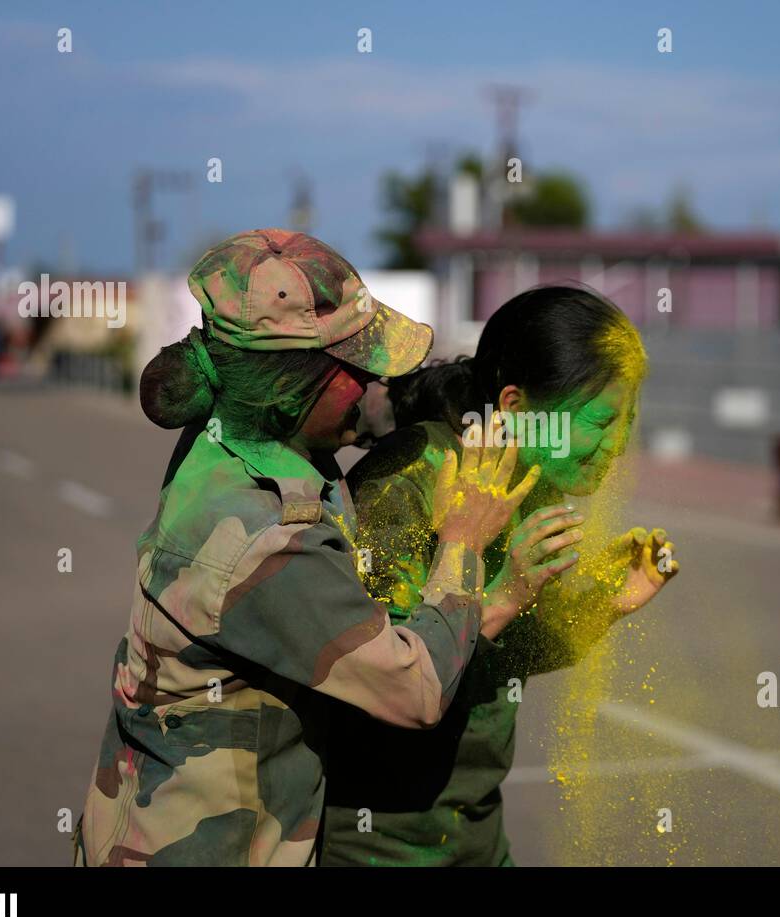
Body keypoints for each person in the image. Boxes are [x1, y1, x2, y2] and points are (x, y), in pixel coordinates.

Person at [74, 229, 537, 866]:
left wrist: (440, 403)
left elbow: (352, 416)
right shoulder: (265, 539)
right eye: (358, 368)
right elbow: (415, 691)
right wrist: (463, 542)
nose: (375, 379)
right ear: (294, 384)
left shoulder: (235, 428)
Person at [320, 285, 679, 866]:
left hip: (473, 825)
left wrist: (604, 605)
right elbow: (381, 682)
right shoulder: (412, 475)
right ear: (514, 405)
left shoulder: (533, 480)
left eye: (629, 420)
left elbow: (508, 652)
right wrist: (506, 593)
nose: (617, 445)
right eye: (601, 420)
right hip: (380, 835)